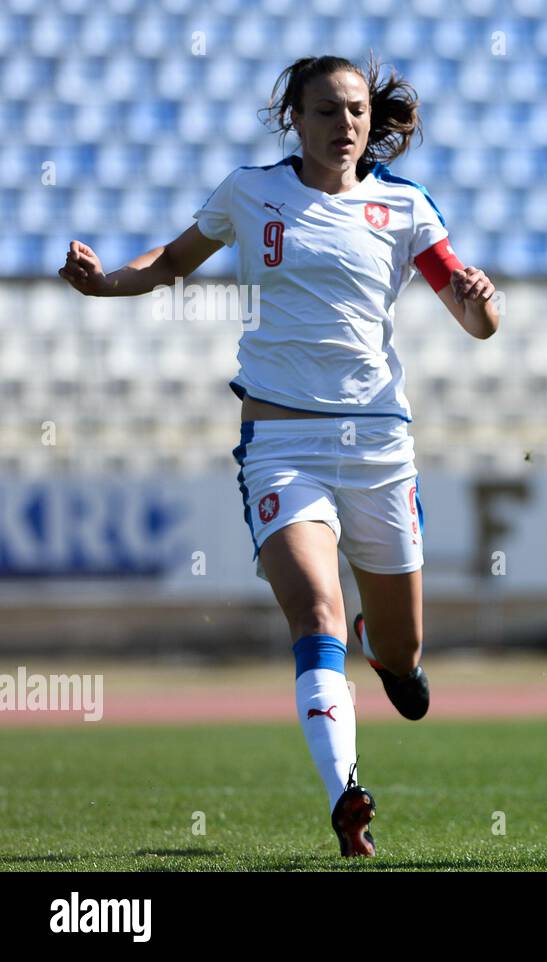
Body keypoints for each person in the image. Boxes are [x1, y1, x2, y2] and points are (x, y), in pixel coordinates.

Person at [58, 54, 499, 857]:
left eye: (358, 111)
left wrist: (479, 306)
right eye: (327, 111)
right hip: (282, 444)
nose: (346, 126)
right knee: (315, 616)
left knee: (400, 652)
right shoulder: (250, 191)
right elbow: (174, 260)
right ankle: (346, 792)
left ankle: (386, 653)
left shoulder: (403, 207)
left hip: (377, 448)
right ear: (293, 118)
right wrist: (107, 283)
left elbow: (468, 312)